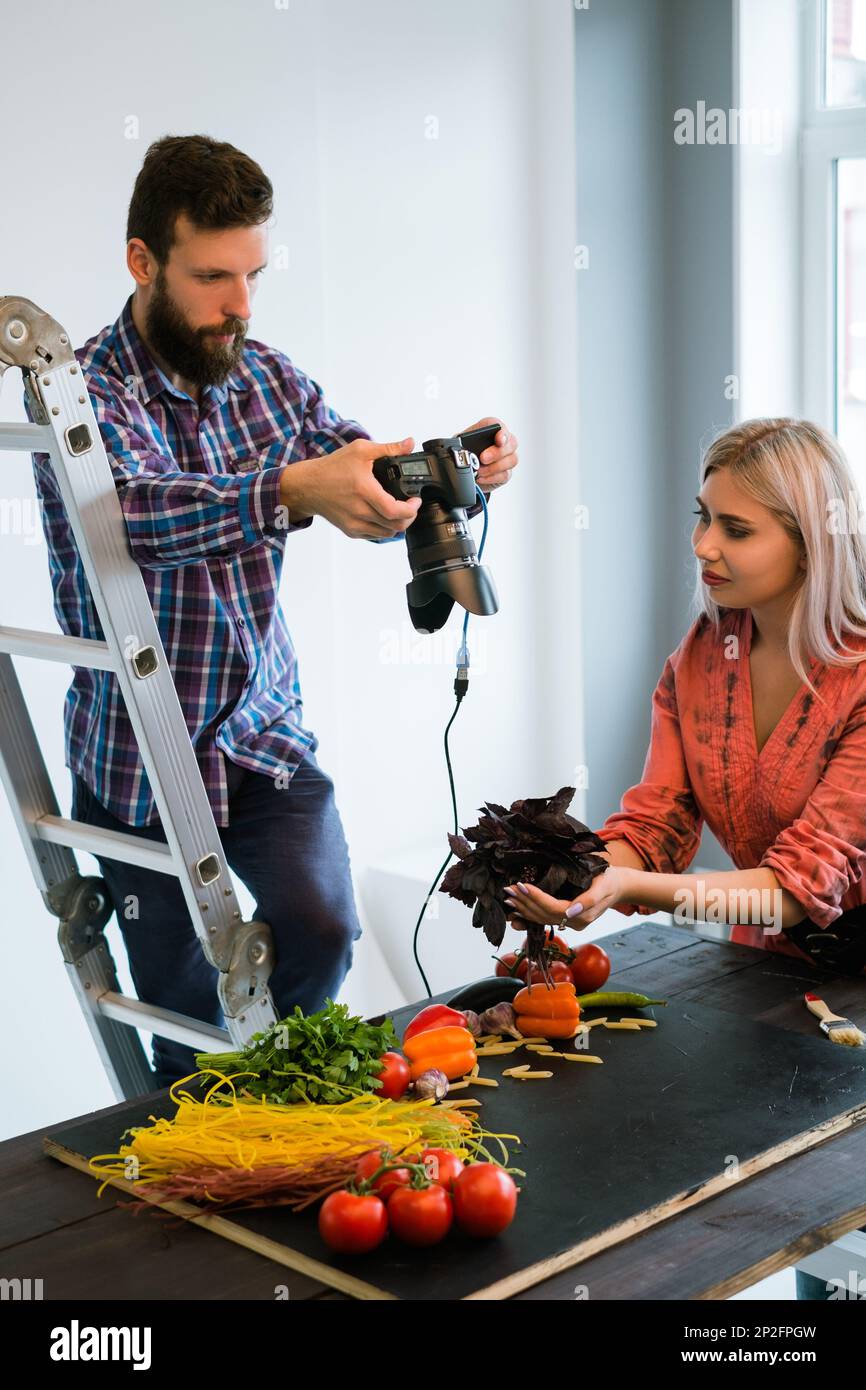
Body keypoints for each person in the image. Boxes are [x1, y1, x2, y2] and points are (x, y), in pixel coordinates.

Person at [28, 133, 519, 1088]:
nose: (240, 306)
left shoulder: (271, 377)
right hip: (137, 765)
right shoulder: (85, 394)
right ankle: (204, 1164)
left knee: (325, 928)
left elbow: (359, 482)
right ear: (143, 262)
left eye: (253, 274)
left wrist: (445, 470)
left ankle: (276, 1109)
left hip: (262, 737)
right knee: (181, 1018)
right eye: (215, 277)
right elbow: (129, 512)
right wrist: (292, 488)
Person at [504, 418, 866, 976]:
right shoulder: (702, 654)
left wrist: (627, 883)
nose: (704, 545)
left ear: (808, 546)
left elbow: (796, 892)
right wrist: (575, 875)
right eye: (703, 516)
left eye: (737, 530)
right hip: (772, 967)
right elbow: (656, 828)